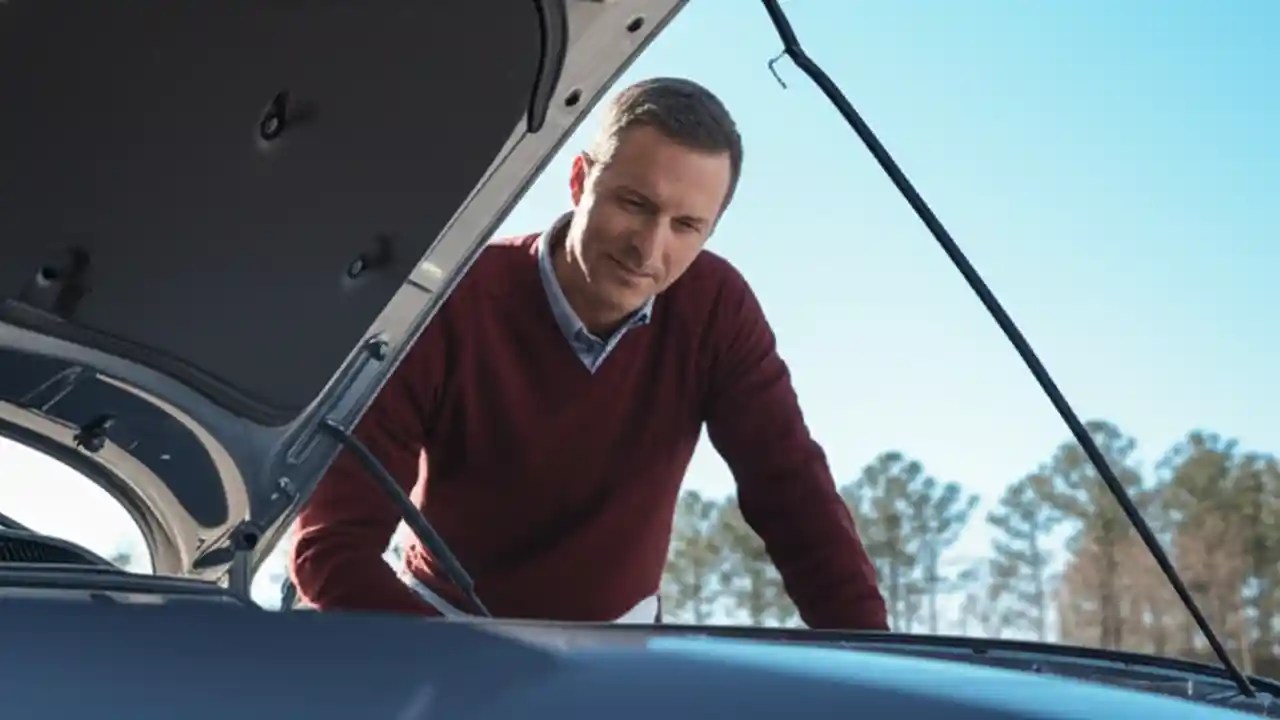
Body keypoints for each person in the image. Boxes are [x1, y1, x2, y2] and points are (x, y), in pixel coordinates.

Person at [288, 76, 888, 630]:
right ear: (579, 181)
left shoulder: (716, 309)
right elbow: (331, 546)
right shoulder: (454, 301)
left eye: (685, 225)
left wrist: (878, 659)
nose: (648, 249)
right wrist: (460, 664)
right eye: (634, 204)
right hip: (443, 639)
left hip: (623, 654)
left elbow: (791, 493)